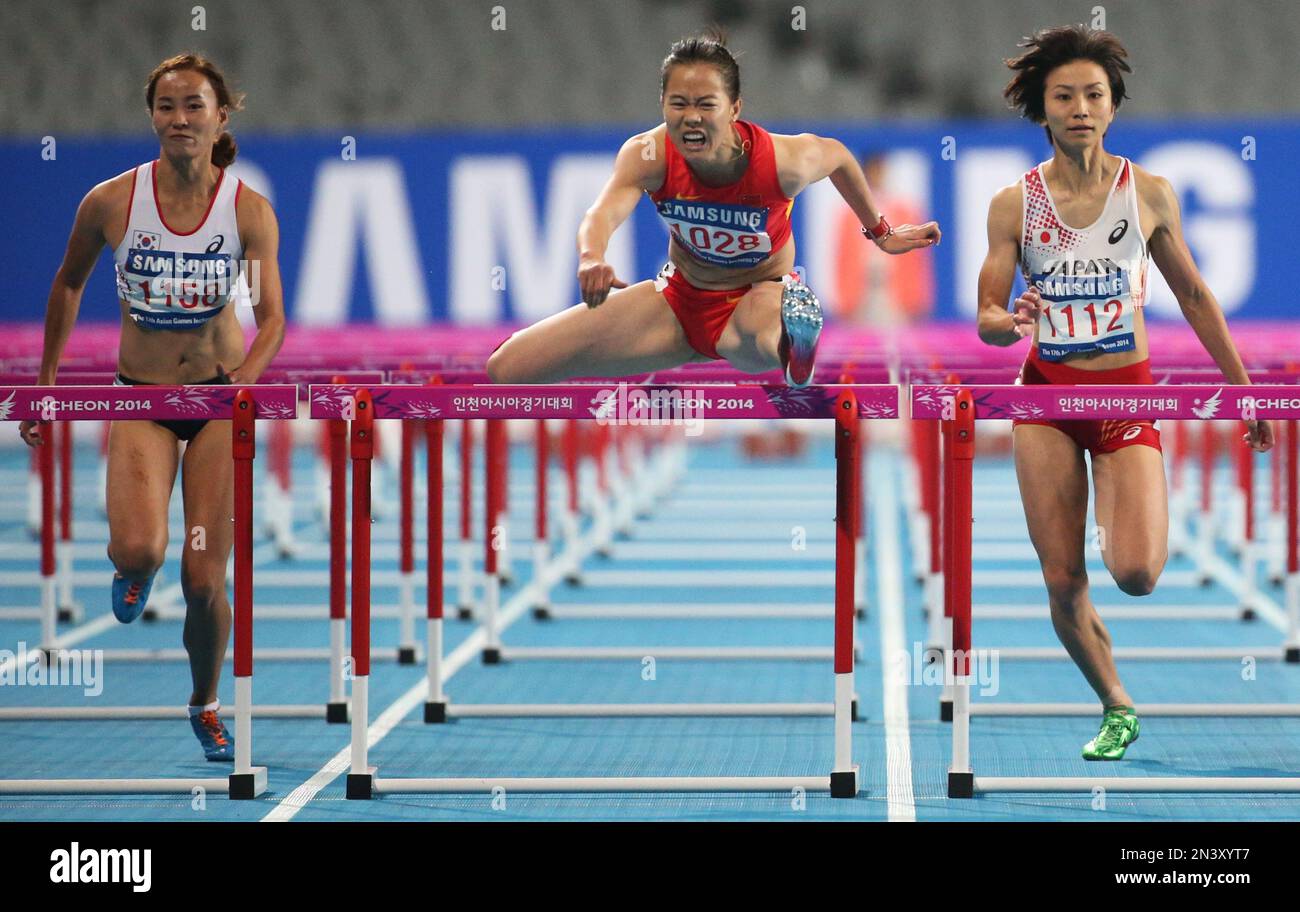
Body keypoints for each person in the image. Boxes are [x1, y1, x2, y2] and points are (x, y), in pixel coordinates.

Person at [976, 25, 1272, 760]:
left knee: (1136, 572)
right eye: (1064, 96)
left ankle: (1118, 523)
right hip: (1044, 401)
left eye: (1093, 95)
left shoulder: (1149, 193)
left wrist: (1243, 393)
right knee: (1062, 576)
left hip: (1124, 400)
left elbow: (1197, 296)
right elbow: (986, 315)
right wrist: (1008, 323)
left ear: (1113, 108)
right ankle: (1116, 703)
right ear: (1042, 109)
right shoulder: (1015, 204)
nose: (1080, 107)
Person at [18, 53, 286, 761]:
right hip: (142, 399)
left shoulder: (248, 212)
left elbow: (273, 319)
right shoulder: (111, 202)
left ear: (220, 117)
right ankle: (132, 569)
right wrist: (45, 385)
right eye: (166, 106)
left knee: (203, 580)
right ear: (152, 118)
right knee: (140, 547)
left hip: (215, 403)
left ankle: (203, 702)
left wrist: (243, 384)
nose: (179, 119)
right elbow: (68, 284)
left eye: (194, 106)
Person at [487, 31, 940, 388]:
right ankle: (779, 347)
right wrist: (591, 256)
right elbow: (601, 214)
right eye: (677, 104)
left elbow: (839, 157)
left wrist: (880, 232)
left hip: (756, 296)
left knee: (760, 338)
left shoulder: (784, 162)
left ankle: (793, 346)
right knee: (506, 367)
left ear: (734, 108)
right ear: (662, 105)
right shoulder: (648, 154)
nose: (691, 117)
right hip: (678, 303)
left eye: (706, 104)